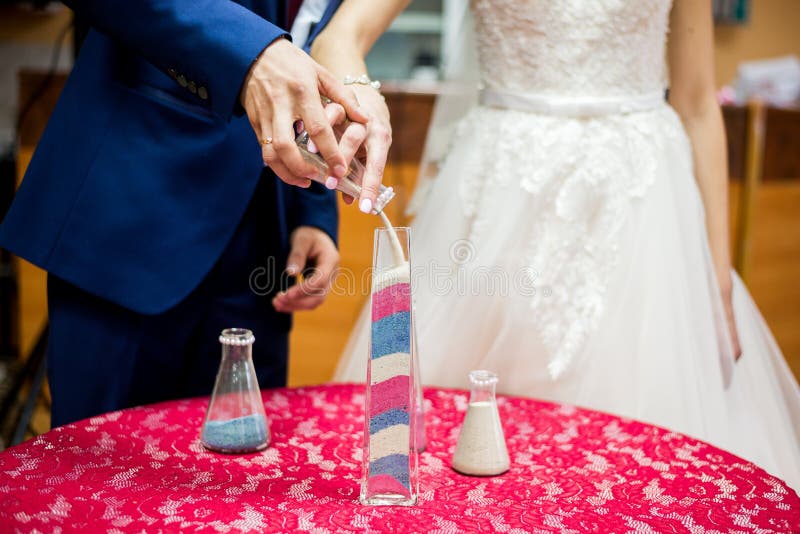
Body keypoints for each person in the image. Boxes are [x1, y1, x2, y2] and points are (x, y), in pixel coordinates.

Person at [332, 0, 800, 489]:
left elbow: (700, 103)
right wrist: (363, 98)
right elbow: (340, 36)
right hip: (503, 187)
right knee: (462, 453)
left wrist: (717, 275)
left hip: (643, 200)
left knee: (646, 459)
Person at [0, 0, 392, 427]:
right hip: (133, 208)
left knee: (243, 475)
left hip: (262, 251)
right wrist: (251, 51)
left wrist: (311, 209)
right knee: (104, 476)